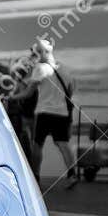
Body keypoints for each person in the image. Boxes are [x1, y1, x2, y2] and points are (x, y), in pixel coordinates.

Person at [24, 39, 75, 181]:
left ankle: (35, 176)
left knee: (37, 144)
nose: (36, 55)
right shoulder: (63, 69)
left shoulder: (40, 68)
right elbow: (70, 91)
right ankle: (72, 174)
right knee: (63, 143)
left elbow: (28, 92)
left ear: (43, 52)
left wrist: (13, 97)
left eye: (37, 52)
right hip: (62, 112)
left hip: (44, 112)